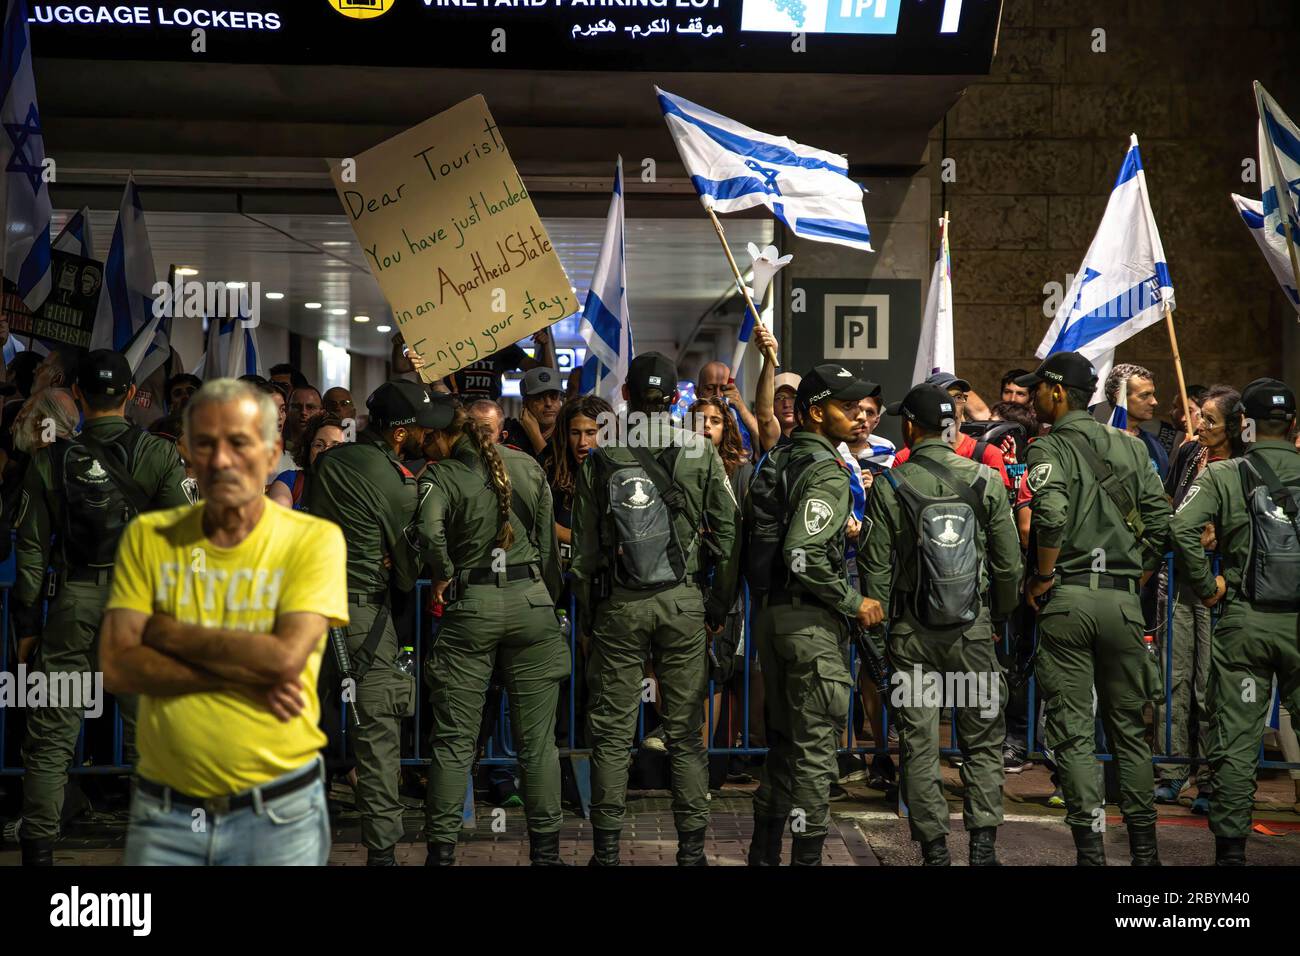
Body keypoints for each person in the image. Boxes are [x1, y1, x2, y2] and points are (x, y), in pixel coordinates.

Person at [99, 378, 348, 866]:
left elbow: (283, 659)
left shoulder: (313, 542)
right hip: (165, 815)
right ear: (186, 452)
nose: (222, 459)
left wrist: (167, 634)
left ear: (273, 451)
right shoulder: (149, 537)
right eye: (206, 443)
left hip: (280, 813)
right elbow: (119, 666)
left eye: (239, 442)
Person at [15, 351, 190, 866]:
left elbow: (30, 550)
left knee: (51, 734)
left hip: (74, 603)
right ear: (132, 392)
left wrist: (26, 626)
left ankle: (39, 850)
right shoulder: (158, 456)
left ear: (78, 395)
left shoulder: (47, 460)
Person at [571, 351, 740, 866]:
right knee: (686, 732)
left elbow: (582, 550)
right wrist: (716, 604)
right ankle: (691, 849)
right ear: (675, 398)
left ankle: (605, 850)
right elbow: (729, 532)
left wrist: (594, 610)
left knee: (612, 731)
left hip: (620, 605)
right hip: (682, 601)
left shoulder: (603, 455)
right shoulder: (699, 451)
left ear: (624, 396)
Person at [1019, 352, 1171, 866]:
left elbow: (1052, 514)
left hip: (1068, 597)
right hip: (1123, 602)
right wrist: (1135, 575)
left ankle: (1091, 852)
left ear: (1059, 392)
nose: (1035, 395)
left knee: (1075, 731)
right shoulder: (1132, 448)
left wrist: (1042, 576)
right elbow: (1161, 522)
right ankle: (1145, 852)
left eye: (1040, 387)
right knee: (1130, 730)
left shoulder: (1049, 448)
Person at [860, 383, 1022, 865]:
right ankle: (983, 846)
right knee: (982, 740)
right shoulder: (984, 479)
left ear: (910, 426)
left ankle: (933, 849)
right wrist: (998, 614)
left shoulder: (891, 483)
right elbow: (1009, 564)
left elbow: (876, 571)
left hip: (913, 634)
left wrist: (879, 634)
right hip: (972, 629)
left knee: (919, 741)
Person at [415, 399, 570, 865]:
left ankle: (441, 855)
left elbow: (427, 530)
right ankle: (545, 854)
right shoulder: (526, 466)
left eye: (429, 436)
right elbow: (546, 547)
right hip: (531, 603)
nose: (425, 443)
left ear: (446, 436)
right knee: (538, 742)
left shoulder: (440, 476)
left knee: (455, 740)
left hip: (471, 606)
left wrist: (443, 573)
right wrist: (544, 597)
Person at [744, 364, 882, 867]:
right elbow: (802, 550)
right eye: (845, 406)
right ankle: (805, 859)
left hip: (773, 616)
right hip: (810, 625)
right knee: (814, 753)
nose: (857, 414)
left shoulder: (780, 457)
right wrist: (853, 601)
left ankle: (764, 855)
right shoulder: (826, 469)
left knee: (784, 745)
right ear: (817, 411)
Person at [1170, 378, 1300, 865]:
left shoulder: (1227, 475)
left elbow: (1180, 526)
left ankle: (1230, 853)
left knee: (1237, 737)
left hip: (1245, 621)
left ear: (1244, 423)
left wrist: (1207, 586)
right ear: (1292, 425)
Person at [305, 380, 428, 866]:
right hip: (363, 615)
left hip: (306, 612)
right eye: (418, 426)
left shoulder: (329, 463)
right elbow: (406, 569)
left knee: (297, 730)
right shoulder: (400, 484)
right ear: (400, 434)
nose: (424, 434)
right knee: (377, 740)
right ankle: (382, 855)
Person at [1155, 385, 1244, 812]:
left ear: (1235, 426)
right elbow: (1172, 504)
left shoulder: (1243, 467)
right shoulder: (1190, 454)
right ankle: (1172, 770)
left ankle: (1210, 776)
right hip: (1179, 579)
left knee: (1210, 684)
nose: (1201, 426)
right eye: (1200, 417)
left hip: (1218, 584)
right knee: (1173, 678)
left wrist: (1217, 534)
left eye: (1210, 420)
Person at [549, 395, 612, 564]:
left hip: (603, 575)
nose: (582, 442)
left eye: (590, 433)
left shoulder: (620, 475)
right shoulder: (551, 473)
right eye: (575, 433)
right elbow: (540, 523)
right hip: (560, 572)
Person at [445, 328, 557, 402]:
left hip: (489, 415)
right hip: (457, 414)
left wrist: (545, 345)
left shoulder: (501, 346)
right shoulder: (449, 345)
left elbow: (545, 374)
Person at [268, 413, 347, 511]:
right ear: (307, 449)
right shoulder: (289, 481)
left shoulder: (353, 488)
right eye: (319, 445)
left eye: (335, 446)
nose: (326, 451)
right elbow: (278, 522)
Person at [1104, 363, 1168, 479]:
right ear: (1120, 397)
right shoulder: (1100, 443)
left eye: (1153, 394)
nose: (1154, 402)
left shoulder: (1155, 443)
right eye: (1145, 395)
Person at [501, 367, 563, 470]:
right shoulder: (508, 433)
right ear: (525, 402)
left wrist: (536, 437)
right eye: (539, 397)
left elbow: (558, 479)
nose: (548, 403)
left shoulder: (567, 436)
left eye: (553, 396)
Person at [771, 372, 800, 442]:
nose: (786, 404)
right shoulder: (761, 440)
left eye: (793, 397)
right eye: (779, 398)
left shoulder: (814, 438)